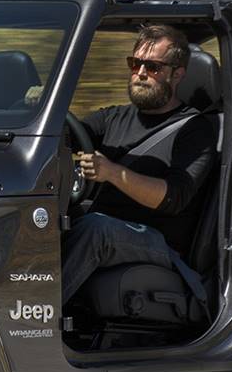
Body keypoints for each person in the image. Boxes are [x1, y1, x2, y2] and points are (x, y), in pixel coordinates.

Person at [61, 24, 219, 313]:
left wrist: (112, 173)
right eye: (135, 64)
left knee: (97, 229)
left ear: (178, 74)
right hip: (105, 228)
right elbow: (65, 137)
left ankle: (35, 323)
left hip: (160, 244)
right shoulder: (112, 117)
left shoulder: (196, 129)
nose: (141, 73)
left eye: (153, 67)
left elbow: (173, 198)